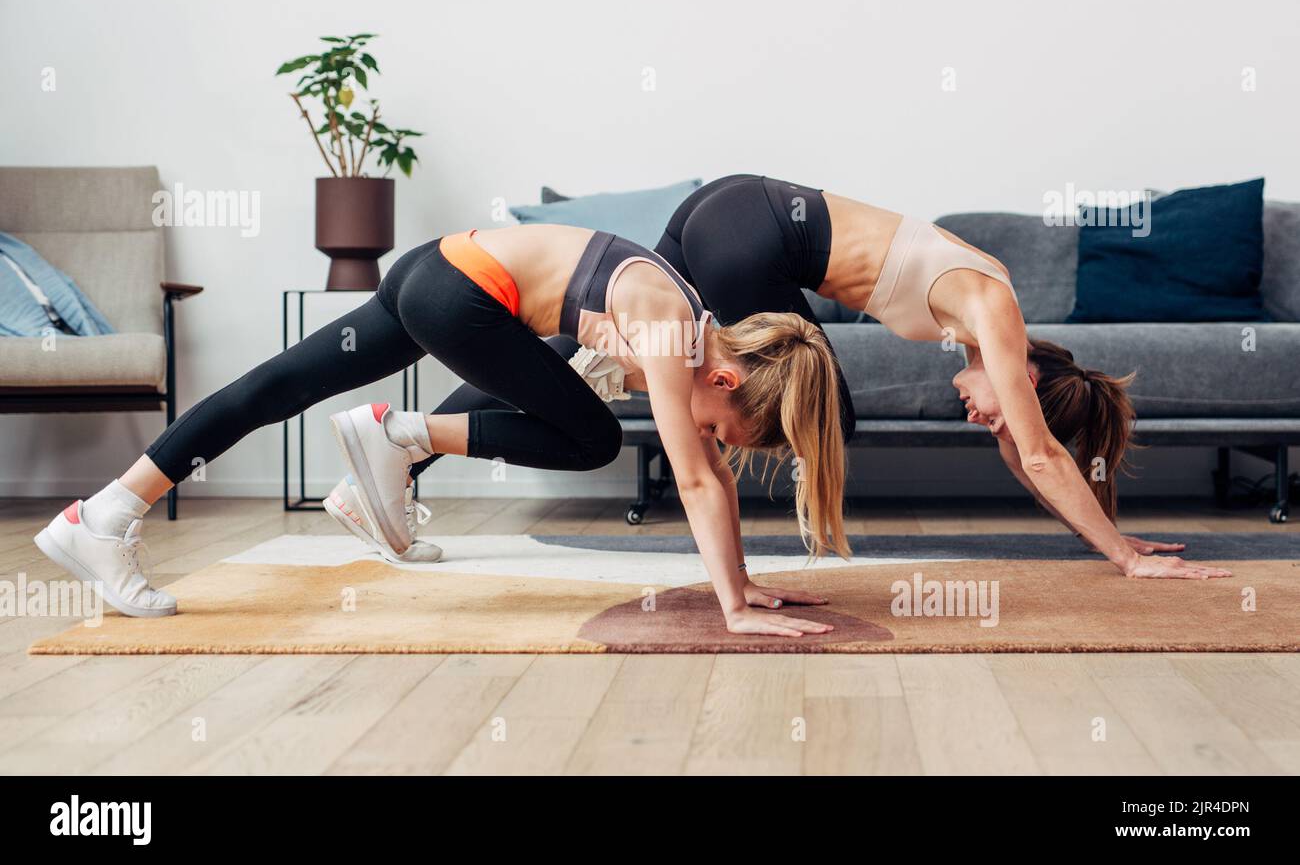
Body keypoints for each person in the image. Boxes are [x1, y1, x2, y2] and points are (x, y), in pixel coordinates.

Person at [35, 224, 850, 636]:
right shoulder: (675, 326)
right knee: (596, 439)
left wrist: (738, 587)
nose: (715, 440)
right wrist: (734, 609)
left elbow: (704, 463)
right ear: (725, 378)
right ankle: (401, 438)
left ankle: (104, 512)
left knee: (276, 385)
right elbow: (698, 477)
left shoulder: (684, 321)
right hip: (459, 293)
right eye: (730, 428)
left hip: (433, 270)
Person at [652, 175, 1230, 581]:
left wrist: (1103, 534)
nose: (979, 419)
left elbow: (1020, 455)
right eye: (997, 415)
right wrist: (1128, 562)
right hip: (745, 237)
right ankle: (732, 568)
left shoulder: (985, 328)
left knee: (603, 347)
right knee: (828, 412)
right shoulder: (995, 313)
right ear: (1026, 381)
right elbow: (1039, 455)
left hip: (727, 203)